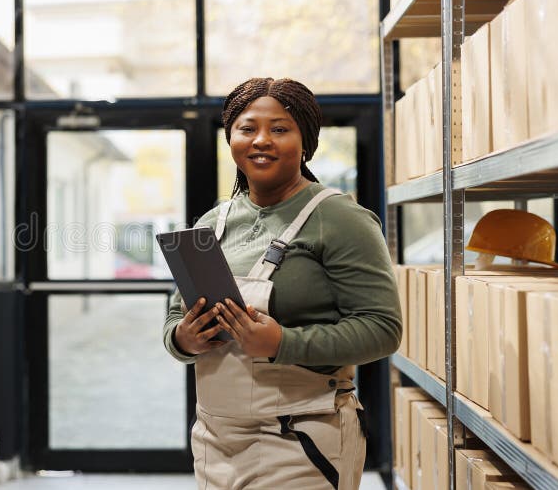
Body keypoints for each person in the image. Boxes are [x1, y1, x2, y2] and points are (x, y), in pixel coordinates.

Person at [162, 77, 402, 489]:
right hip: (216, 441)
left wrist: (281, 344)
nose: (261, 140)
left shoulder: (341, 220)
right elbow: (174, 312)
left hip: (302, 438)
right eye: (247, 128)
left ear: (305, 141)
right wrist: (184, 339)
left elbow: (383, 329)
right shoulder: (211, 224)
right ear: (230, 138)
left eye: (279, 128)